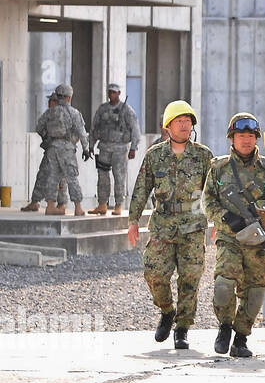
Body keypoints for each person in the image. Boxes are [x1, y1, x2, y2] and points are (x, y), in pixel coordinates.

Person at [127, 100, 213, 350]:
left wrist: (217, 221)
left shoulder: (203, 155)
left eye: (188, 121)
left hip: (194, 226)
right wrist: (133, 220)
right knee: (154, 273)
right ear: (168, 126)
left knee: (190, 278)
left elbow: (213, 192)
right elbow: (142, 188)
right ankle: (167, 311)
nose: (185, 125)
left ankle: (183, 328)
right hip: (163, 224)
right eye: (180, 121)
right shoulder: (155, 155)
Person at [203, 113, 265, 358]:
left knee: (255, 292)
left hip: (258, 242)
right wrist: (225, 217)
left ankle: (241, 337)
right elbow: (207, 201)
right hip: (230, 237)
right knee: (223, 286)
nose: (246, 141)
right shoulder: (219, 169)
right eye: (241, 136)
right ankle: (225, 326)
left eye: (250, 136)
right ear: (232, 138)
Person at [32, 83, 90, 216]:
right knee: (72, 177)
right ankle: (78, 207)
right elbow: (82, 132)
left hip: (52, 148)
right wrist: (86, 149)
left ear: (57, 96)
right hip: (67, 148)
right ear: (69, 97)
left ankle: (50, 206)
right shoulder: (74, 113)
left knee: (52, 177)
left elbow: (39, 127)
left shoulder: (50, 112)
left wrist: (48, 138)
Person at [87, 83, 141, 215]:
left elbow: (135, 129)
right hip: (104, 147)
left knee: (119, 177)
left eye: (114, 92)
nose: (112, 94)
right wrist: (91, 145)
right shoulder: (103, 109)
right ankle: (102, 204)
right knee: (102, 177)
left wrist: (133, 148)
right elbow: (94, 128)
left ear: (119, 94)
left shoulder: (126, 110)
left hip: (120, 149)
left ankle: (118, 205)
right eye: (110, 92)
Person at [21, 92, 69, 213]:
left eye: (51, 101)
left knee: (61, 178)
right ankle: (35, 202)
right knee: (42, 175)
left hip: (63, 152)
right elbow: (39, 127)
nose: (49, 103)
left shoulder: (66, 114)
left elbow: (74, 131)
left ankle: (62, 203)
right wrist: (47, 138)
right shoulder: (49, 115)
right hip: (50, 150)